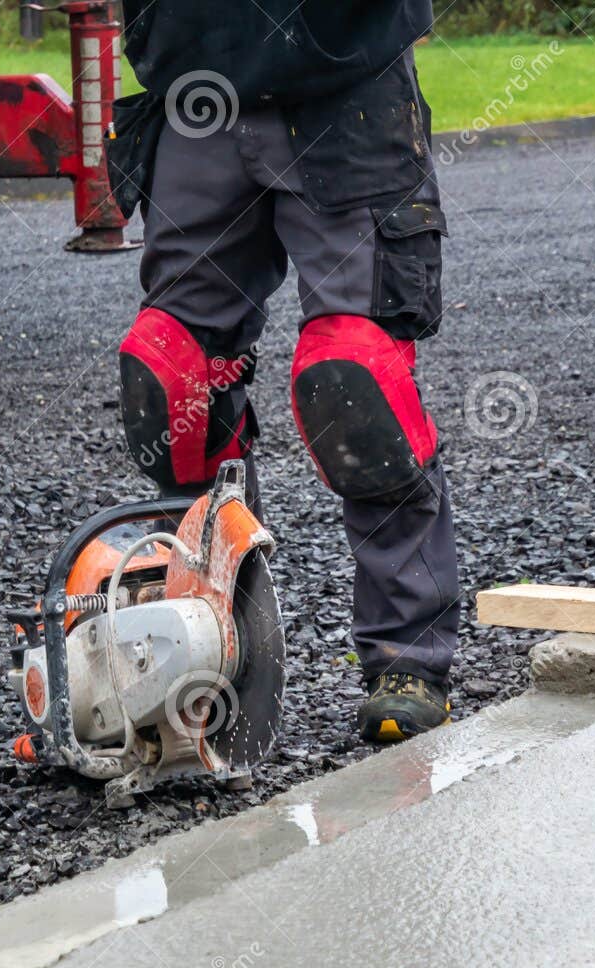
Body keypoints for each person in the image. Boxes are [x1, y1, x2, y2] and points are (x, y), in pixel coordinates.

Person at [107, 0, 459, 743]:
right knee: (173, 379)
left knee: (357, 381)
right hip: (194, 77)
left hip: (344, 77)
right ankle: (210, 641)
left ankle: (407, 655)